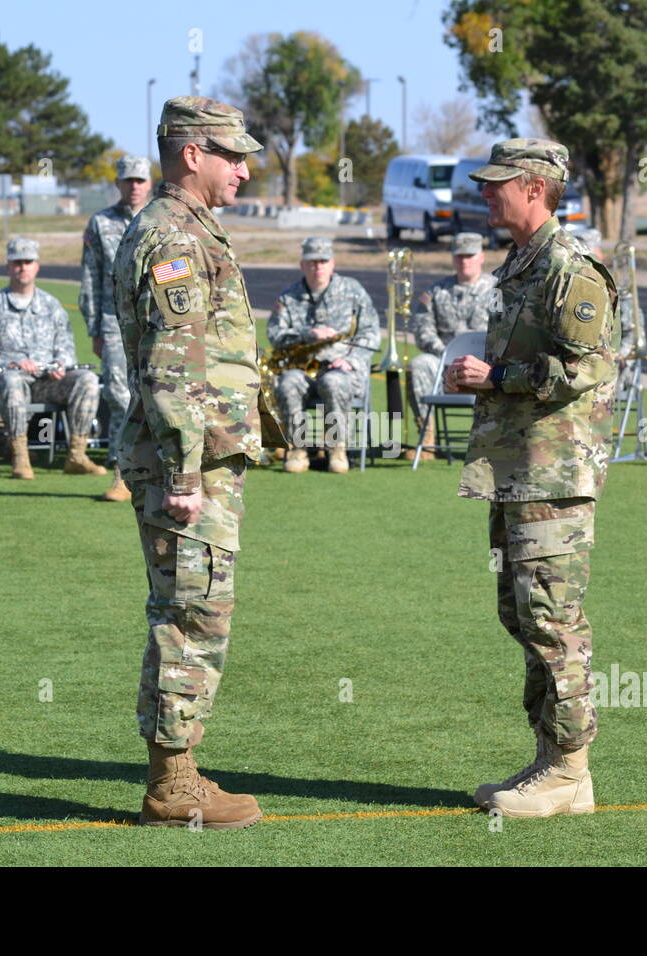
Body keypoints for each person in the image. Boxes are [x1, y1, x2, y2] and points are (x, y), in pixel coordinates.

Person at [114, 96, 284, 828]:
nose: (244, 170)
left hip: (200, 460)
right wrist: (185, 474)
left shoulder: (184, 229)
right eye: (232, 155)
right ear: (191, 153)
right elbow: (170, 367)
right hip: (189, 468)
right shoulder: (172, 238)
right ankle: (172, 786)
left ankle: (179, 768)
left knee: (192, 608)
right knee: (191, 613)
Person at [446, 138, 619, 818]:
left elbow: (587, 370)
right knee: (521, 614)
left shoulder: (568, 266)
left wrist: (498, 379)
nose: (486, 194)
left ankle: (572, 772)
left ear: (536, 189)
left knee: (554, 620)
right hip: (518, 469)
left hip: (554, 472)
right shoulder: (522, 263)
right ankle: (550, 758)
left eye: (498, 184)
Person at [0, 236, 103, 480]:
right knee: (11, 381)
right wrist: (12, 365)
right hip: (6, 383)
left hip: (45, 382)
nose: (23, 267)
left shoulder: (51, 306)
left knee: (87, 379)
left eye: (28, 262)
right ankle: (20, 456)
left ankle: (77, 454)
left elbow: (65, 348)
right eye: (17, 262)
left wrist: (61, 365)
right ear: (8, 267)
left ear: (37, 266)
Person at [267, 237, 380, 474]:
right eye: (312, 262)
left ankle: (337, 449)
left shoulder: (352, 291)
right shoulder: (289, 296)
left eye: (323, 261)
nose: (317, 266)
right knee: (288, 383)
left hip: (343, 370)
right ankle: (298, 449)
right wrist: (307, 334)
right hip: (302, 369)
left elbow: (371, 333)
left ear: (333, 264)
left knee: (334, 380)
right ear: (302, 265)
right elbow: (274, 334)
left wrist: (350, 360)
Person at [80, 154, 152, 503]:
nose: (134, 186)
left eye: (140, 180)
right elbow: (91, 277)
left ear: (149, 183)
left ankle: (152, 466)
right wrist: (93, 327)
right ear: (118, 184)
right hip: (112, 320)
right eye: (128, 180)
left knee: (154, 392)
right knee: (118, 393)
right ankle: (122, 473)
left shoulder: (159, 219)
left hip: (154, 320)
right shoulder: (100, 222)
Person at [407, 231, 497, 462]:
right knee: (419, 364)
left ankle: (496, 440)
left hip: (487, 367)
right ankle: (427, 437)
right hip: (445, 364)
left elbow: (507, 330)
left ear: (481, 257)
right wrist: (447, 356)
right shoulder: (436, 292)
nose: (464, 261)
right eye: (459, 256)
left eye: (470, 255)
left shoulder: (500, 291)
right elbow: (422, 328)